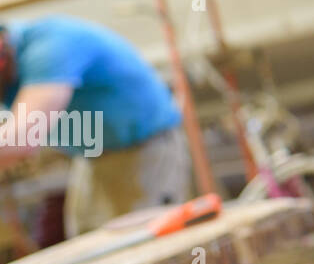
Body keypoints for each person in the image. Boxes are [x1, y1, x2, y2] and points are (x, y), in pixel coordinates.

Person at [0, 15, 191, 238]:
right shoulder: (10, 67)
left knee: (144, 245)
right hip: (92, 158)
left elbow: (21, 138)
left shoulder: (50, 47)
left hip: (145, 151)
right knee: (90, 245)